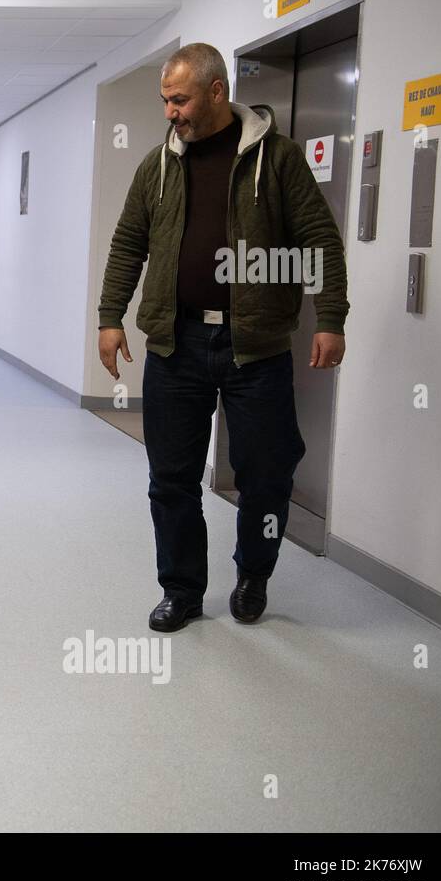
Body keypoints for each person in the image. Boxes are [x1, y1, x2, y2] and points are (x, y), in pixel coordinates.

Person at [97, 43, 348, 631]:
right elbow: (128, 242)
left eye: (178, 99)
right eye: (164, 100)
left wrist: (331, 317)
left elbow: (319, 238)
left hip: (254, 347)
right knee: (172, 478)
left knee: (268, 471)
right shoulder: (157, 164)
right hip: (175, 344)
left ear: (216, 92)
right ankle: (182, 589)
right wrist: (111, 317)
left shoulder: (278, 158)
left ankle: (253, 574)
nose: (169, 112)